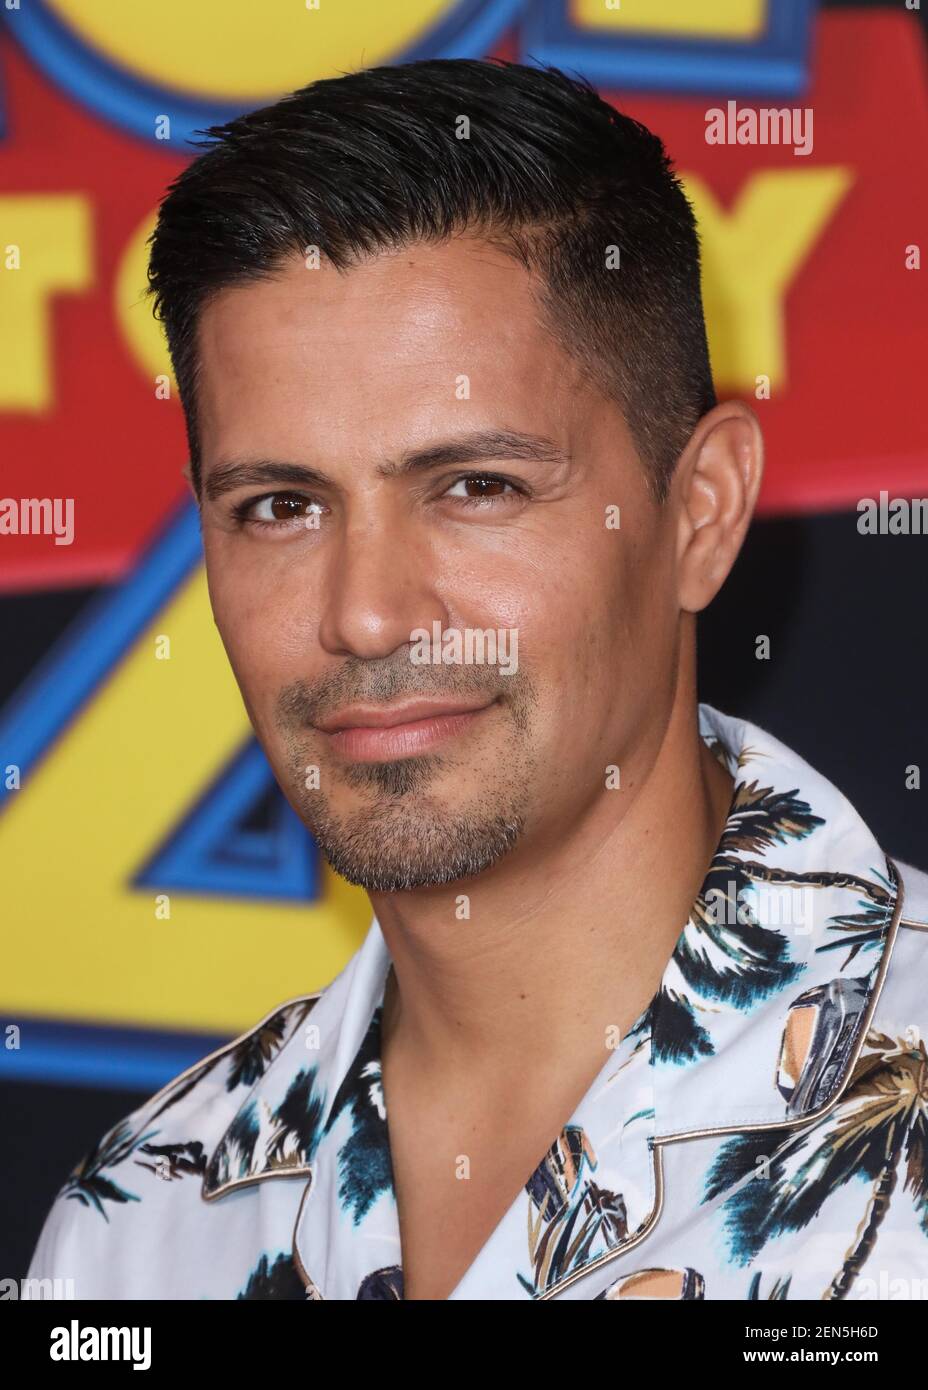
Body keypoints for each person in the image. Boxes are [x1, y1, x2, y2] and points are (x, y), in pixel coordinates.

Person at [28, 57, 928, 1302]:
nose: (363, 612)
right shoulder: (135, 1229)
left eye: (475, 487)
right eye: (281, 505)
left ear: (699, 512)